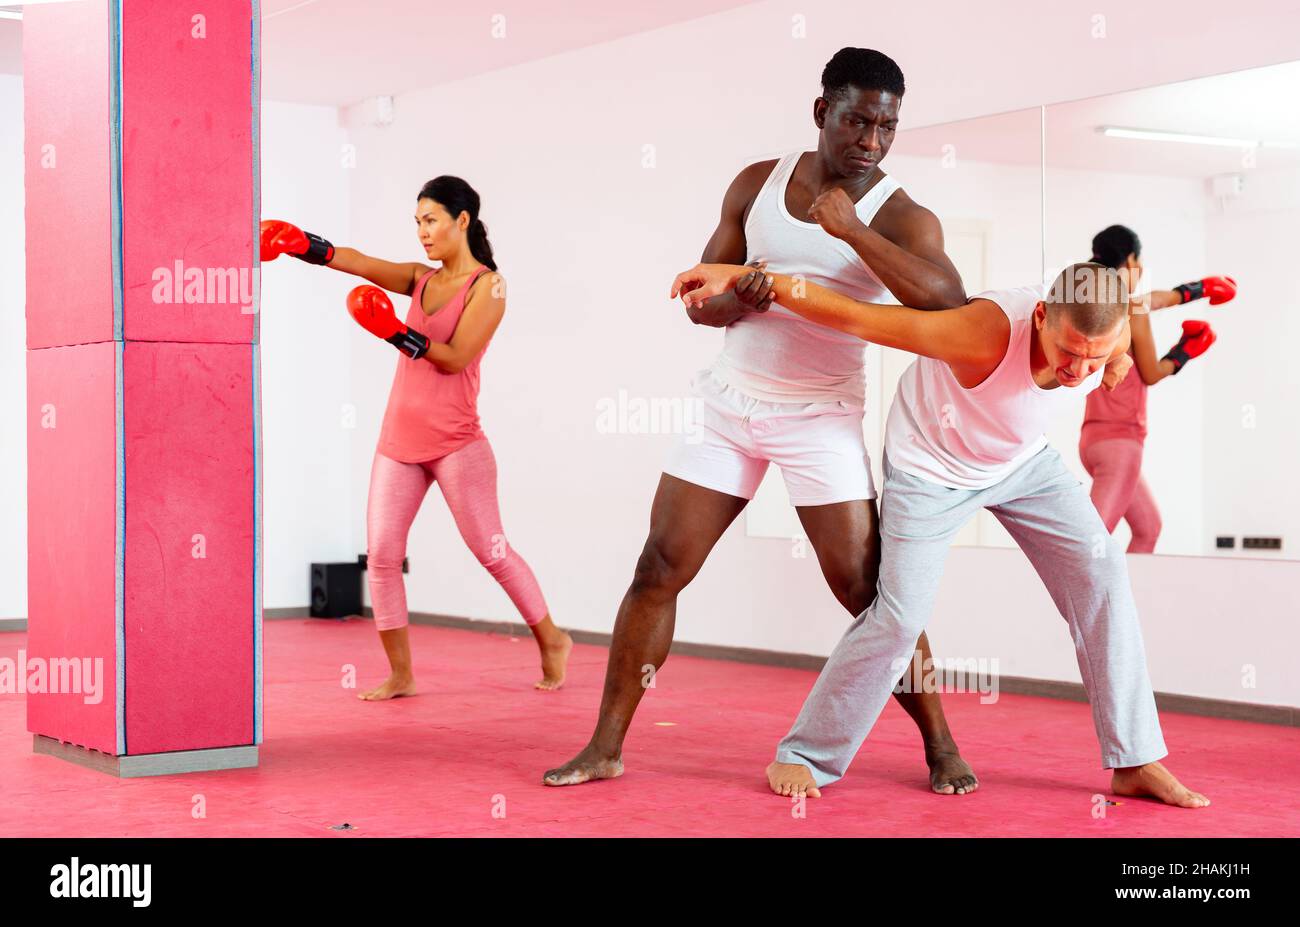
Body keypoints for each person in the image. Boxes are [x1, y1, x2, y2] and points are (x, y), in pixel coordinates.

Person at [545, 48, 978, 794]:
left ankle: (940, 741)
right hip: (730, 407)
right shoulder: (758, 182)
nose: (871, 142)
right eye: (857, 122)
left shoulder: (901, 212)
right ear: (822, 113)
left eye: (886, 127)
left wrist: (854, 235)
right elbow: (702, 302)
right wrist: (739, 299)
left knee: (869, 592)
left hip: (821, 417)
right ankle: (606, 745)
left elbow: (948, 301)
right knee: (658, 566)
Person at [670, 259, 1209, 808]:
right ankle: (806, 752)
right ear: (1041, 316)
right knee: (900, 618)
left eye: (1094, 356)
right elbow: (859, 317)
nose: (1077, 371)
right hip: (930, 469)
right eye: (1068, 352)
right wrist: (738, 276)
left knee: (1104, 573)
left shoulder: (1100, 326)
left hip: (1022, 466)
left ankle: (1135, 760)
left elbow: (1119, 323)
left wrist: (1115, 356)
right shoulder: (981, 333)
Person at [260, 176, 572, 695]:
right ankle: (401, 674)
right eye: (418, 223)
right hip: (398, 442)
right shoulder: (420, 279)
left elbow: (453, 359)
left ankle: (551, 639)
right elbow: (357, 261)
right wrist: (303, 245)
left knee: (492, 551)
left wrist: (394, 333)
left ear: (462, 220)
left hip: (457, 443)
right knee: (381, 556)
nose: (423, 233)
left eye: (431, 220)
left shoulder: (488, 287)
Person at [1079, 225, 1234, 552]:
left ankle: (1128, 602)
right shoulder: (1132, 309)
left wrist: (1199, 289)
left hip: (1093, 441)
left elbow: (1155, 300)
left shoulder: (1095, 303)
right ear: (1132, 261)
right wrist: (1184, 352)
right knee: (1088, 545)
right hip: (1120, 443)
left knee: (1148, 527)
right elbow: (1150, 373)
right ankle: (1071, 603)